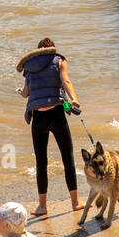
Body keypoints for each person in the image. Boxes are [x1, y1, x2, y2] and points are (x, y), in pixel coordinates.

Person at [17, 38, 82, 216]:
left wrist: (19, 92)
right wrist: (74, 99)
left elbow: (25, 93)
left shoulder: (29, 66)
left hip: (38, 118)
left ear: (37, 51)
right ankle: (75, 202)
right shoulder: (59, 60)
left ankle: (42, 206)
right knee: (67, 158)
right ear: (52, 48)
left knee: (41, 163)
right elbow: (65, 81)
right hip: (56, 114)